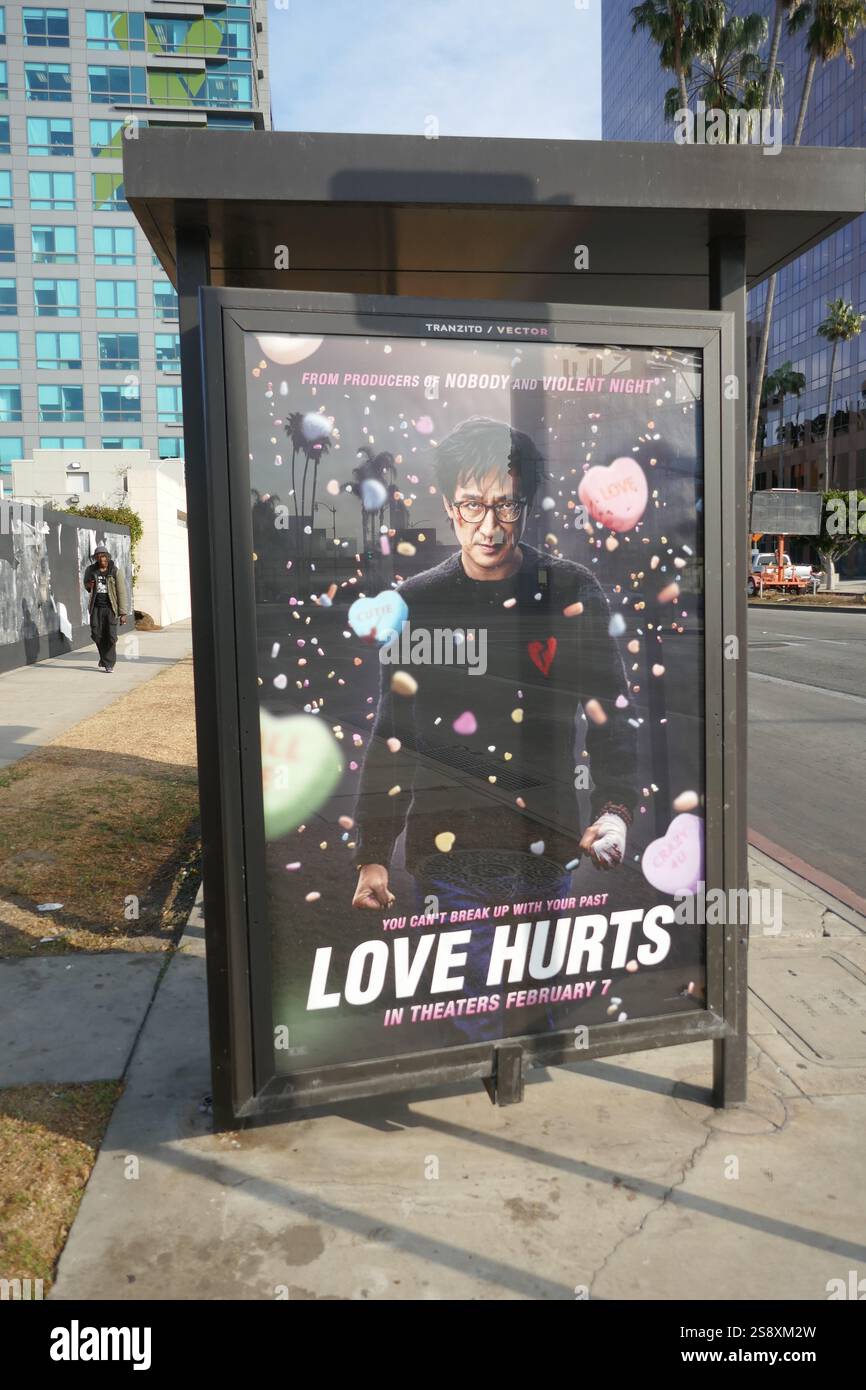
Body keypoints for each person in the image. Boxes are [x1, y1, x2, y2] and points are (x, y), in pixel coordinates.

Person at [349, 416, 638, 1036]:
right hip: (448, 849)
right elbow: (392, 735)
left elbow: (612, 711)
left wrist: (615, 809)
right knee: (473, 1011)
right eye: (472, 505)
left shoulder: (571, 589)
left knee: (540, 1005)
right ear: (449, 505)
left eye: (506, 507)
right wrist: (373, 856)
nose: (488, 526)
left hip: (550, 840)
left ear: (526, 507)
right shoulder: (417, 602)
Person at [83, 543, 128, 672]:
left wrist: (123, 613)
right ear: (96, 558)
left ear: (107, 558)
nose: (102, 560)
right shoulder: (90, 570)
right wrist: (89, 585)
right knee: (97, 635)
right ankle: (105, 659)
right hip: (96, 608)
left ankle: (109, 663)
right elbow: (86, 586)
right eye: (99, 558)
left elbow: (121, 592)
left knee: (111, 636)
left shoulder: (115, 571)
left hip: (111, 608)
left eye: (104, 558)